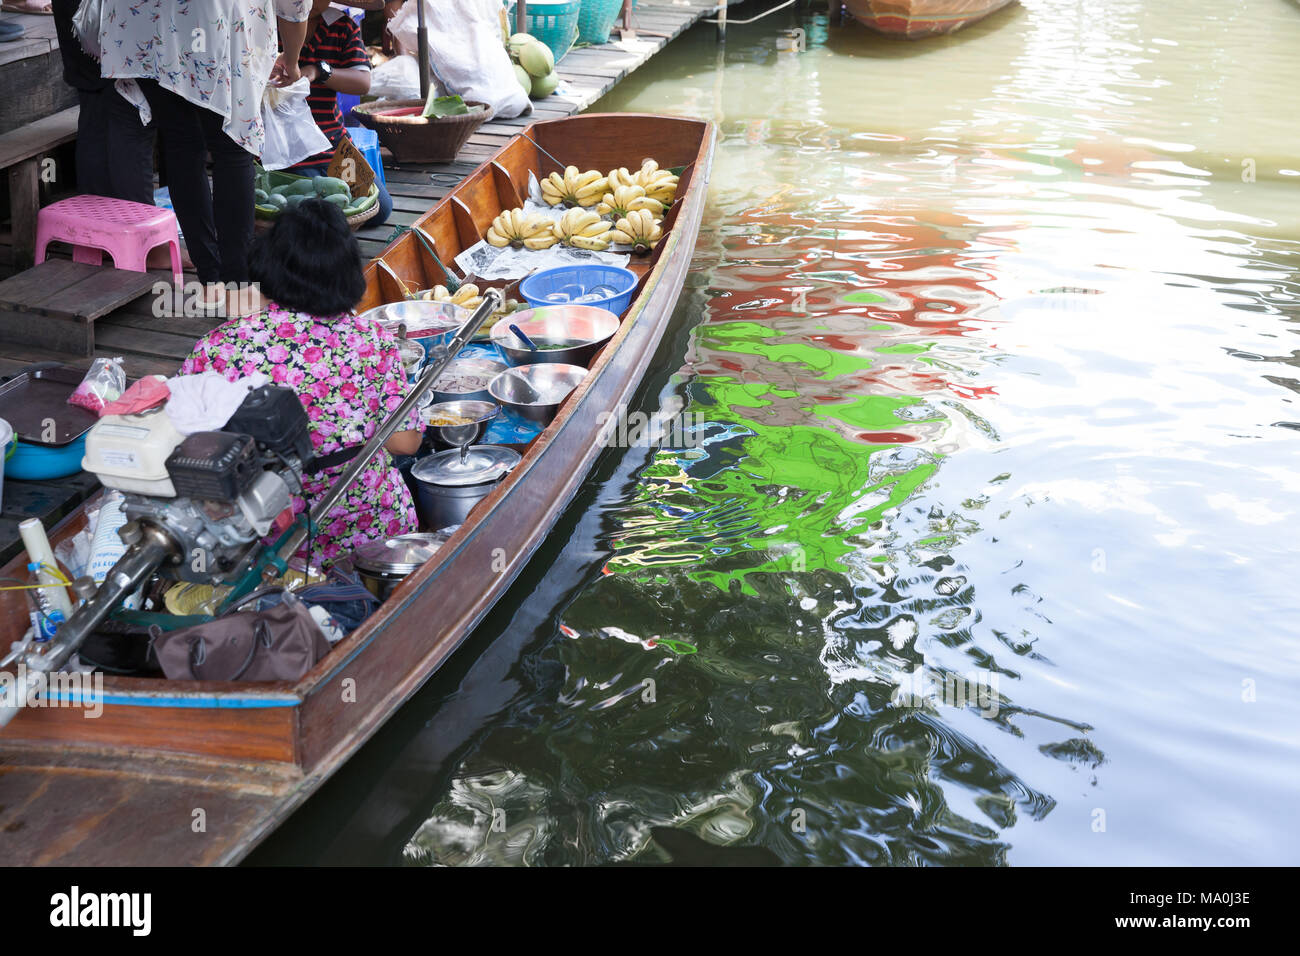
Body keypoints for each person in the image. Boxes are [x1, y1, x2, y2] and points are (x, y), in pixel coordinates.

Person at [179, 200, 422, 562]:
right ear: (346, 275)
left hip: (258, 537)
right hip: (367, 528)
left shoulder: (217, 347)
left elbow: (183, 440)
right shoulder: (372, 341)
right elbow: (405, 443)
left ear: (269, 266)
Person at [87, 1, 311, 297]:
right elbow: (295, 4)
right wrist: (293, 58)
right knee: (231, 149)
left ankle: (212, 275)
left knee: (182, 141)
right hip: (208, 23)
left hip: (143, 21)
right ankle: (237, 286)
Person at [287, 0, 392, 225]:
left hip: (332, 143)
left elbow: (362, 83)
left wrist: (319, 71)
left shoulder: (341, 26)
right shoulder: (267, 24)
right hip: (285, 148)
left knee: (378, 208)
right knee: (313, 208)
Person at [51, 0, 155, 205]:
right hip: (112, 32)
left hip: (92, 32)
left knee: (97, 121)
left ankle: (98, 228)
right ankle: (130, 226)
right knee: (126, 124)